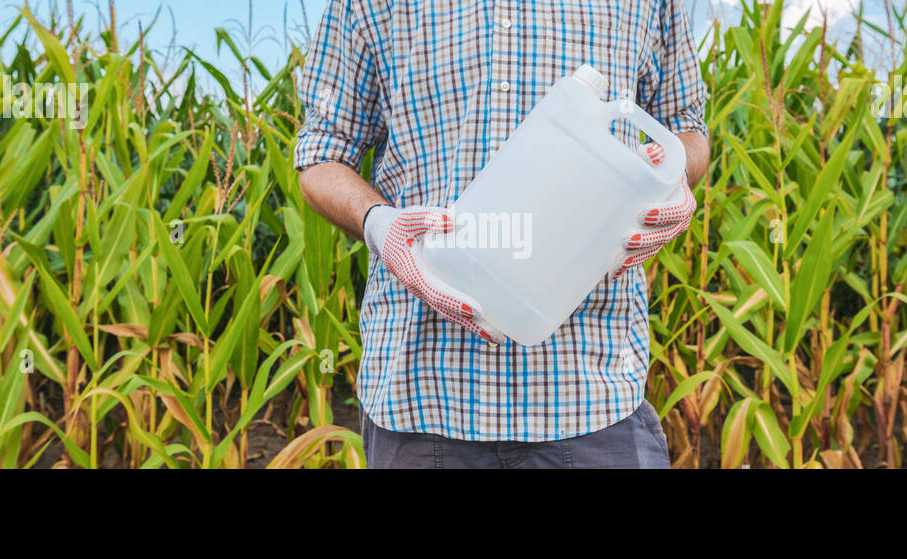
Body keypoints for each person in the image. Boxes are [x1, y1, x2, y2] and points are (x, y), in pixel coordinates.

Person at [293, 0, 710, 468]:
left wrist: (675, 184)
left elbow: (687, 132)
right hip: (421, 394)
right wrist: (379, 224)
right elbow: (321, 154)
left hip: (592, 392)